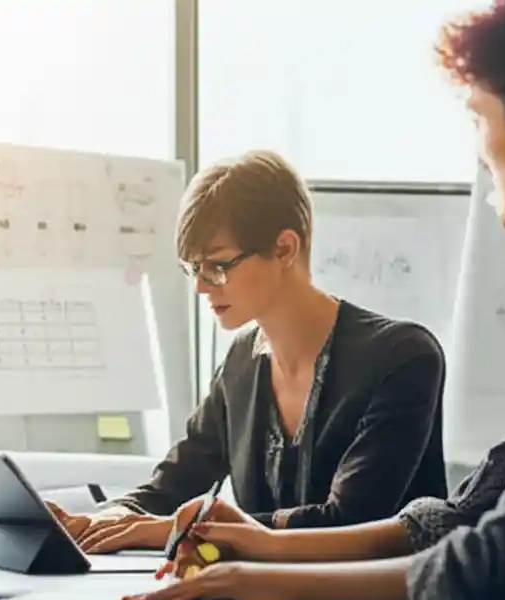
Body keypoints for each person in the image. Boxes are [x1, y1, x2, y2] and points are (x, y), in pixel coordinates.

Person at [129, 0, 505, 600]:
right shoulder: (243, 364)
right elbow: (456, 518)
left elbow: (492, 565)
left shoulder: (398, 355)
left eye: (479, 119)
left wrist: (263, 578)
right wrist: (266, 551)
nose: (481, 153)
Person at [49, 150, 448, 553]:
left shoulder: (402, 358)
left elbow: (350, 520)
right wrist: (102, 518)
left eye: (218, 266)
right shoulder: (242, 362)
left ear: (284, 249)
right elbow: (169, 487)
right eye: (193, 269)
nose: (202, 286)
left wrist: (174, 529)